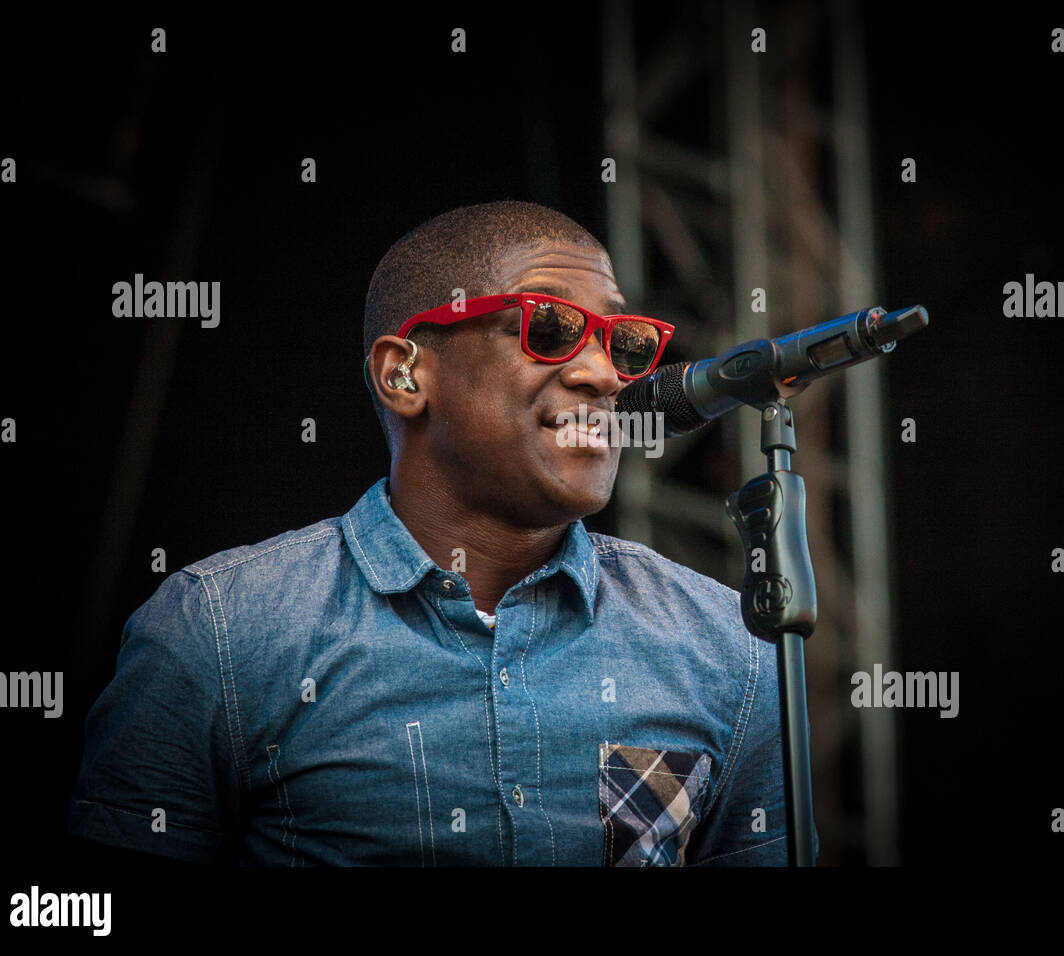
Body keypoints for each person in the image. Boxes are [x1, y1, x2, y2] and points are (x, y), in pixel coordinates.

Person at [67, 199, 813, 866]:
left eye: (621, 342)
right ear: (404, 376)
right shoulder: (222, 632)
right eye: (549, 328)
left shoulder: (727, 649)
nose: (604, 375)